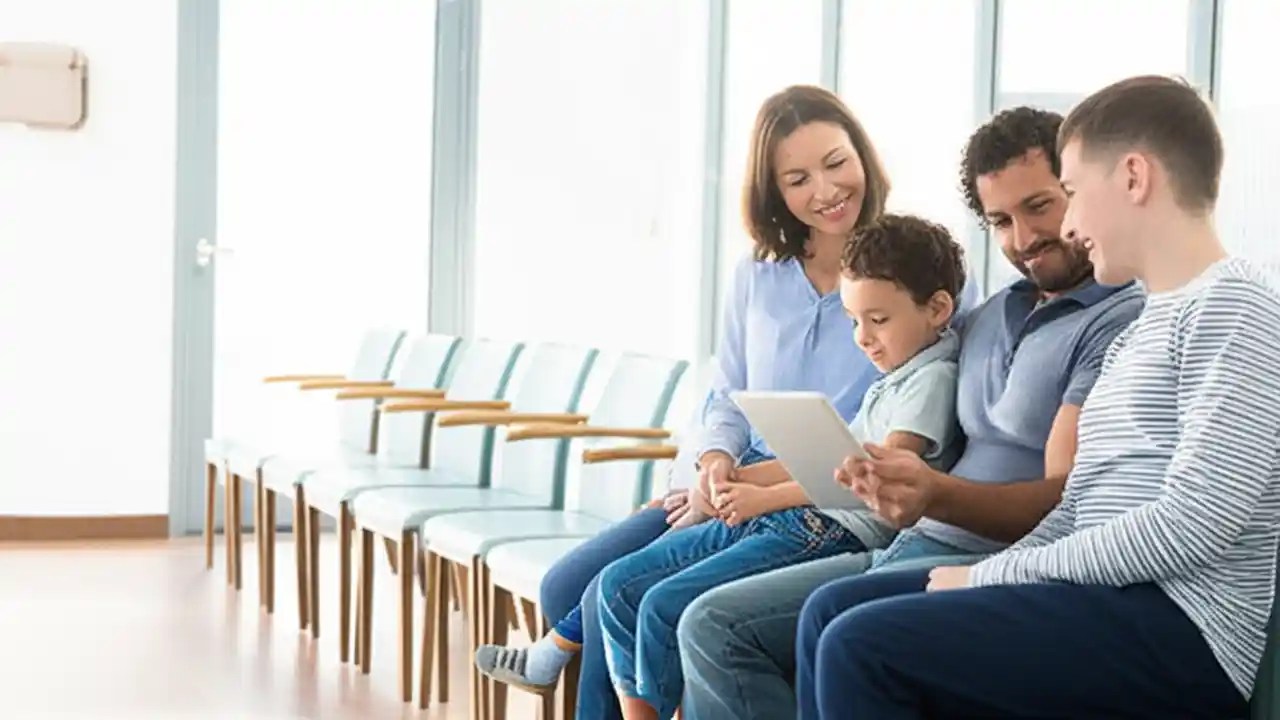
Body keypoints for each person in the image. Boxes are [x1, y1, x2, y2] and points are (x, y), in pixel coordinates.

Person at [796, 74, 1280, 720]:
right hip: (1102, 598)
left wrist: (990, 576)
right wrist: (1004, 570)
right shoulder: (1141, 331)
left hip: (1179, 629)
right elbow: (1078, 508)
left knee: (860, 647)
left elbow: (1194, 524)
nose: (1071, 225)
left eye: (1073, 193)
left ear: (1134, 178)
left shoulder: (1237, 303)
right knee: (829, 611)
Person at [475, 85, 955, 719]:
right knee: (576, 582)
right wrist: (708, 466)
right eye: (798, 178)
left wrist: (755, 491)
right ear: (773, 190)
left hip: (815, 501)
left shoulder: (910, 274)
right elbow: (723, 394)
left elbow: (904, 443)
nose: (826, 189)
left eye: (837, 163)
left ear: (862, 156)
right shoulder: (757, 275)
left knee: (613, 599)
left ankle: (578, 671)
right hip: (740, 474)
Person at [676, 105, 1145, 719]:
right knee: (707, 619)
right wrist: (742, 469)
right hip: (909, 537)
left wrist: (931, 493)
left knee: (774, 623)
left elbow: (1064, 499)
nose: (1024, 239)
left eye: (1040, 206)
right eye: (1001, 221)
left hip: (981, 556)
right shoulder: (987, 316)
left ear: (1080, 193)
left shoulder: (1112, 319)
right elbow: (897, 371)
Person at [592, 214, 968, 720]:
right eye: (854, 320)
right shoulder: (894, 378)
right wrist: (738, 477)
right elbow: (833, 459)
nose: (862, 338)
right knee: (617, 585)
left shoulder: (932, 380)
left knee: (665, 605)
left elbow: (870, 480)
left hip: (827, 530)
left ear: (938, 309)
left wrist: (763, 496)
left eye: (878, 320)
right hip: (792, 518)